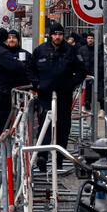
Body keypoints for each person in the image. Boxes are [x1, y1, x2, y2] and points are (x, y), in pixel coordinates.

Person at [27, 22, 87, 171]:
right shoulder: (40, 51)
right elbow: (30, 69)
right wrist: (36, 84)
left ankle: (59, 158)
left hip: (64, 94)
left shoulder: (71, 51)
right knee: (44, 124)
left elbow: (82, 70)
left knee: (62, 127)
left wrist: (72, 83)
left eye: (60, 34)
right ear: (50, 35)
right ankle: (42, 156)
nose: (58, 37)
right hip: (45, 94)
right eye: (55, 34)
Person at [0, 30, 29, 150]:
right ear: (5, 38)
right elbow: (17, 67)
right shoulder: (2, 52)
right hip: (0, 91)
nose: (11, 40)